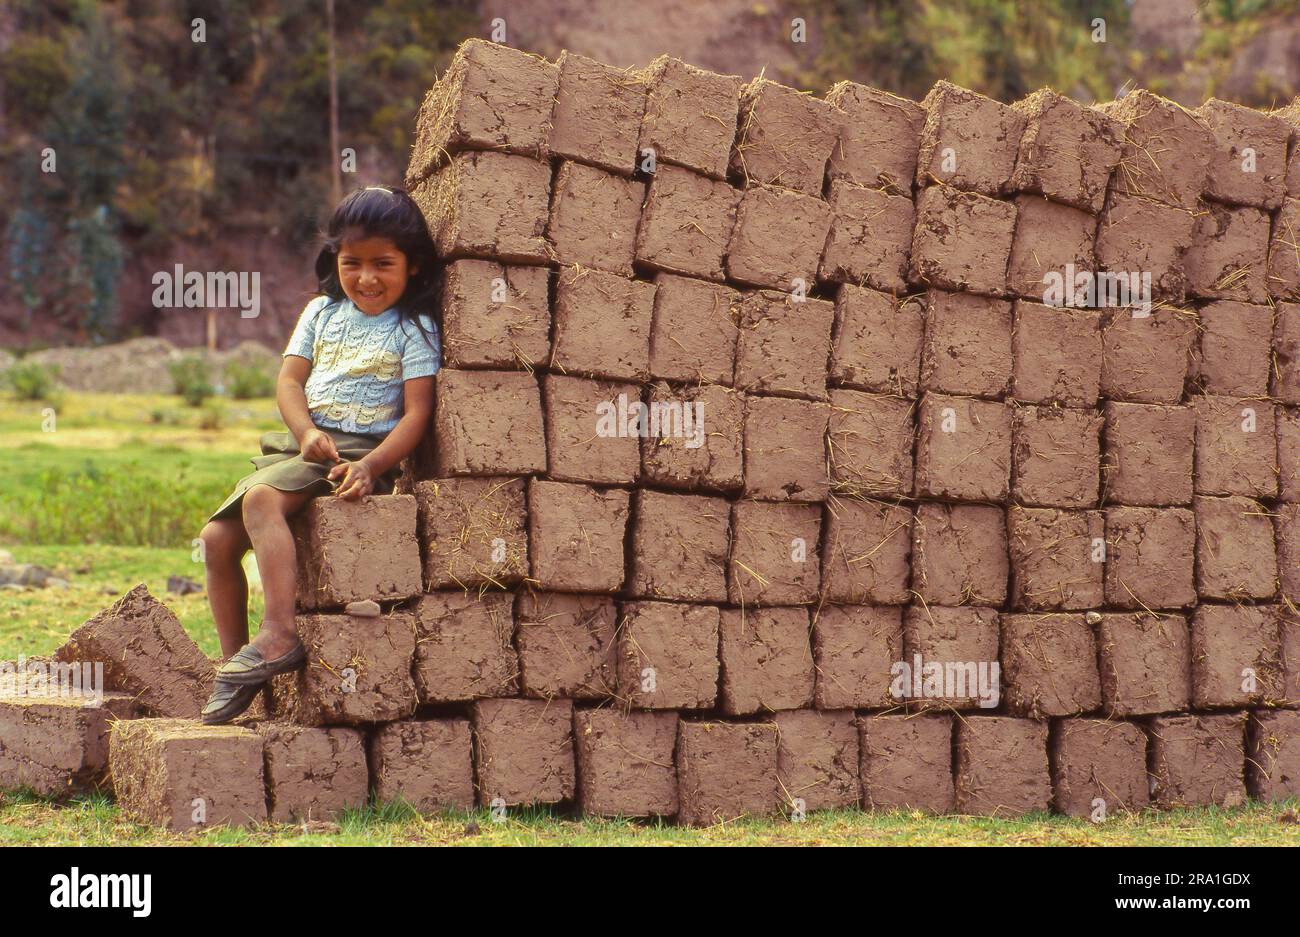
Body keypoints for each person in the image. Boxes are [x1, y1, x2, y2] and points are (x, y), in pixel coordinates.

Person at [199, 185, 440, 724]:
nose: (367, 278)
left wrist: (373, 465)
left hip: (357, 453)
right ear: (335, 258)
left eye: (384, 264)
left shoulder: (414, 328)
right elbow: (289, 382)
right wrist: (305, 430)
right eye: (352, 262)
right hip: (304, 446)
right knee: (215, 540)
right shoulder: (322, 312)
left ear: (414, 266)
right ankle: (238, 666)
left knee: (261, 501)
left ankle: (280, 634)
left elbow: (417, 414)